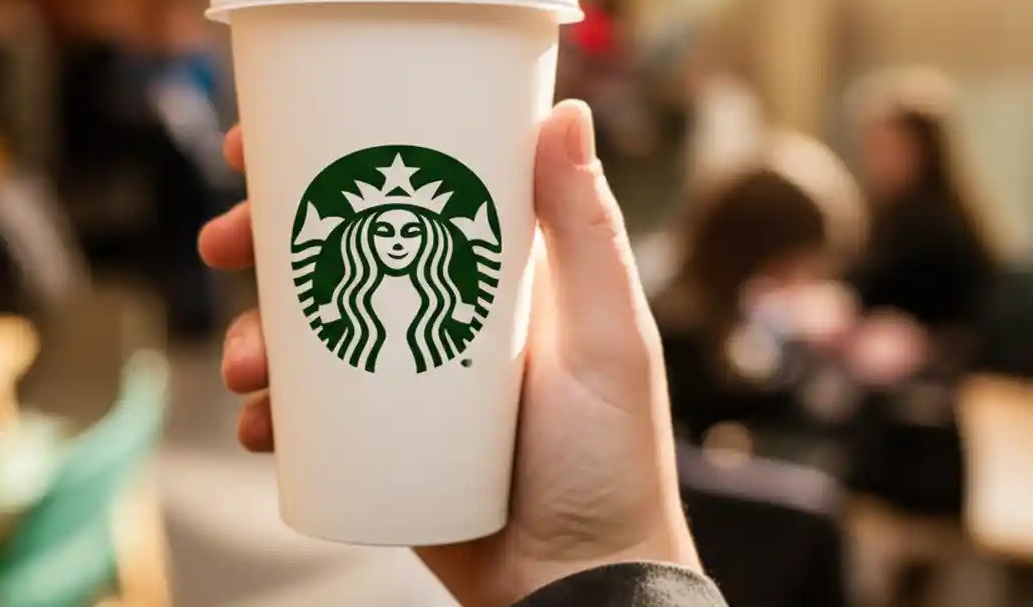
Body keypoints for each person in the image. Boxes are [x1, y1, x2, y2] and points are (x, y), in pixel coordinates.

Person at [199, 101, 727, 606]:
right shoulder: (352, 301)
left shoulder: (442, 302)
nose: (397, 242)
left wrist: (609, 555)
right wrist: (622, 559)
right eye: (383, 229)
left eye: (411, 229)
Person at [652, 134, 866, 442]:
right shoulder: (679, 322)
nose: (800, 283)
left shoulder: (719, 306)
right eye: (797, 266)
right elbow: (712, 411)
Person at [848, 69, 998, 356]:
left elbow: (966, 328)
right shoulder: (880, 218)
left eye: (886, 148)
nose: (874, 163)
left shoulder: (945, 228)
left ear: (925, 151)